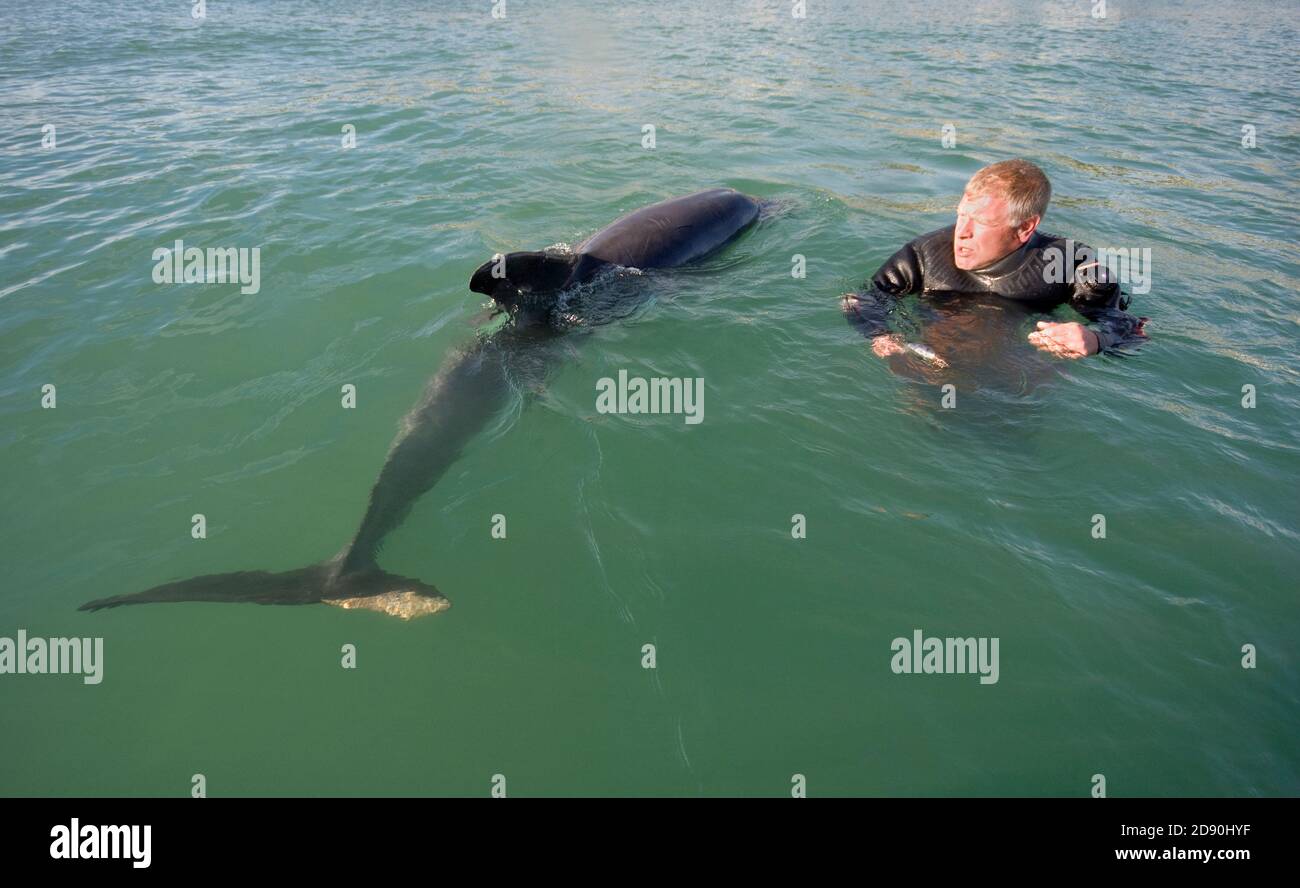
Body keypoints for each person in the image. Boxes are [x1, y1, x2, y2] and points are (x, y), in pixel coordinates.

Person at [843, 159, 1146, 359]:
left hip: (1016, 359)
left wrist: (1094, 340)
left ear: (1025, 227)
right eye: (961, 215)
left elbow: (1128, 327)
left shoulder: (1066, 262)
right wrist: (881, 334)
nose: (961, 233)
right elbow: (860, 299)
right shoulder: (925, 254)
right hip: (939, 352)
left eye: (980, 222)